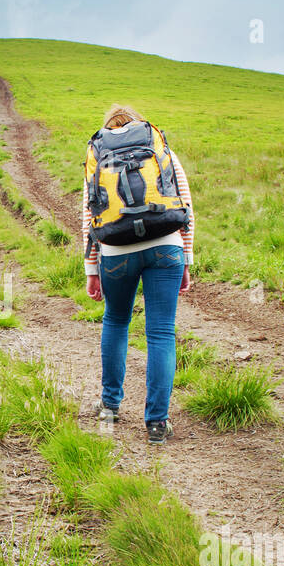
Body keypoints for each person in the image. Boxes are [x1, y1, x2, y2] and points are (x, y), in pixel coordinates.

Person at [82, 104, 194, 445]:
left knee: (115, 321)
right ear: (137, 124)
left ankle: (109, 407)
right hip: (166, 246)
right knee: (160, 333)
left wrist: (91, 269)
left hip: (115, 250)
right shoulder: (158, 146)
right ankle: (157, 424)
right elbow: (185, 203)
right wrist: (186, 257)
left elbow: (89, 215)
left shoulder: (98, 152)